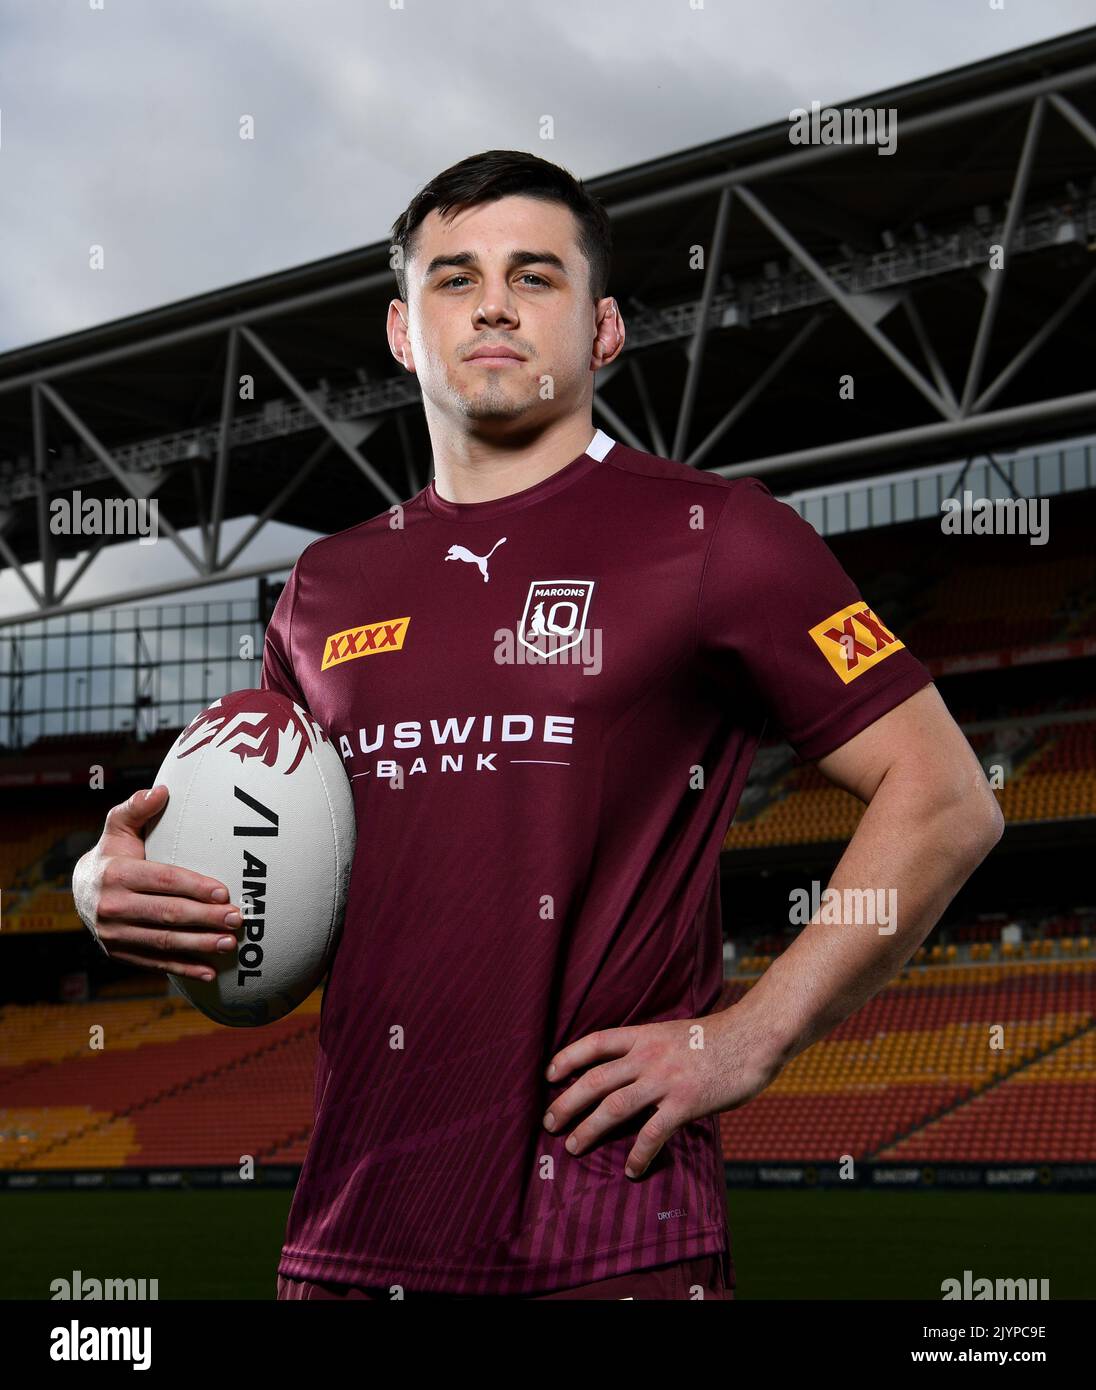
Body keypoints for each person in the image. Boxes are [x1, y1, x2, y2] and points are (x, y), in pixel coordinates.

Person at [73, 149, 1004, 1300]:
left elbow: (946, 795)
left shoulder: (719, 534)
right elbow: (259, 870)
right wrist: (114, 885)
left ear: (604, 329)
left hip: (613, 1237)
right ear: (404, 332)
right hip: (350, 1237)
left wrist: (750, 1032)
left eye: (535, 276)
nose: (495, 304)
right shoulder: (322, 588)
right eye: (454, 279)